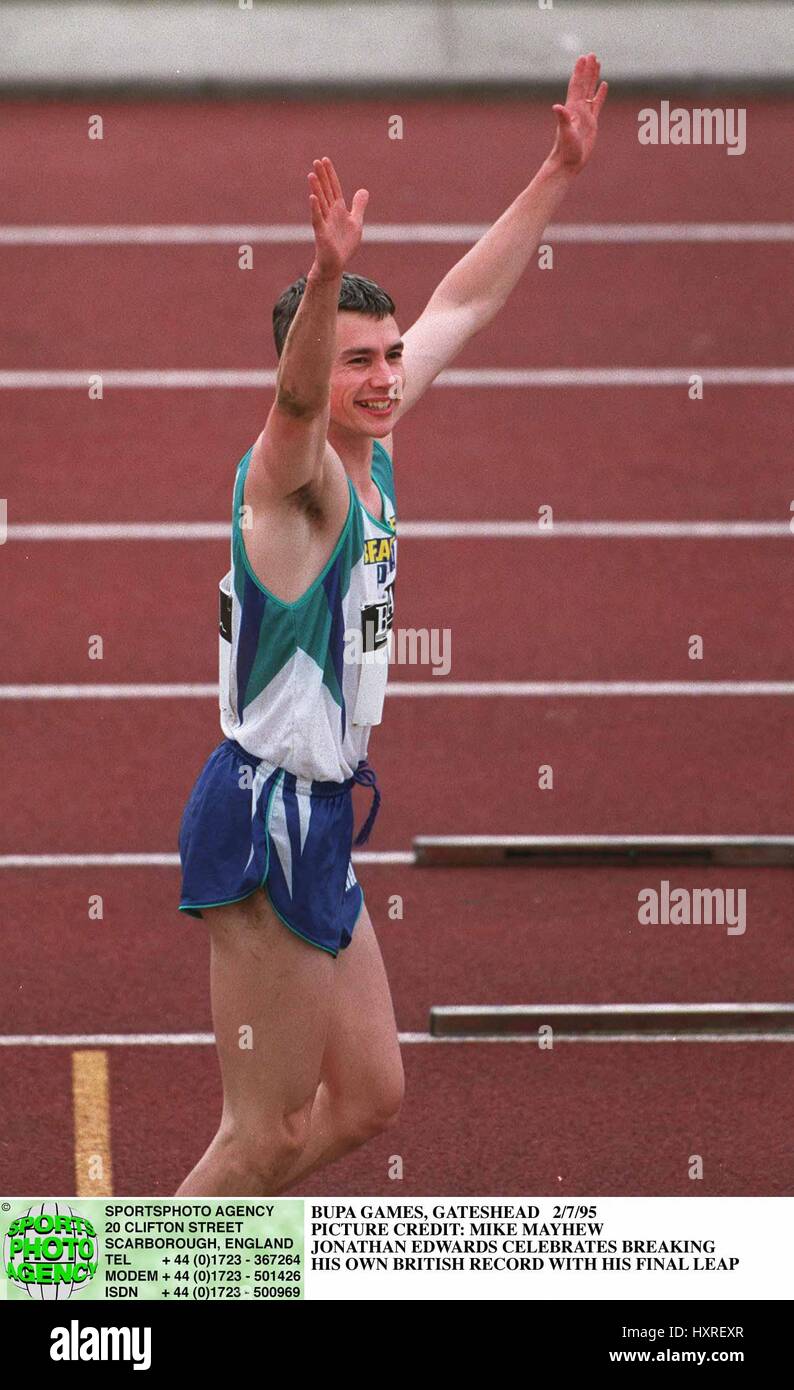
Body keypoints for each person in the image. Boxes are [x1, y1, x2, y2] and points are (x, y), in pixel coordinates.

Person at [175, 54, 607, 1196]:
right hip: (264, 814)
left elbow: (465, 295)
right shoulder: (295, 482)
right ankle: (136, 1292)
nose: (385, 376)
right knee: (259, 1135)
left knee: (367, 1098)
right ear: (319, 367)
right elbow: (297, 400)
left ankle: (204, 1249)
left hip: (321, 812)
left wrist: (554, 173)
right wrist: (325, 281)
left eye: (390, 356)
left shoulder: (376, 440)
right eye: (360, 361)